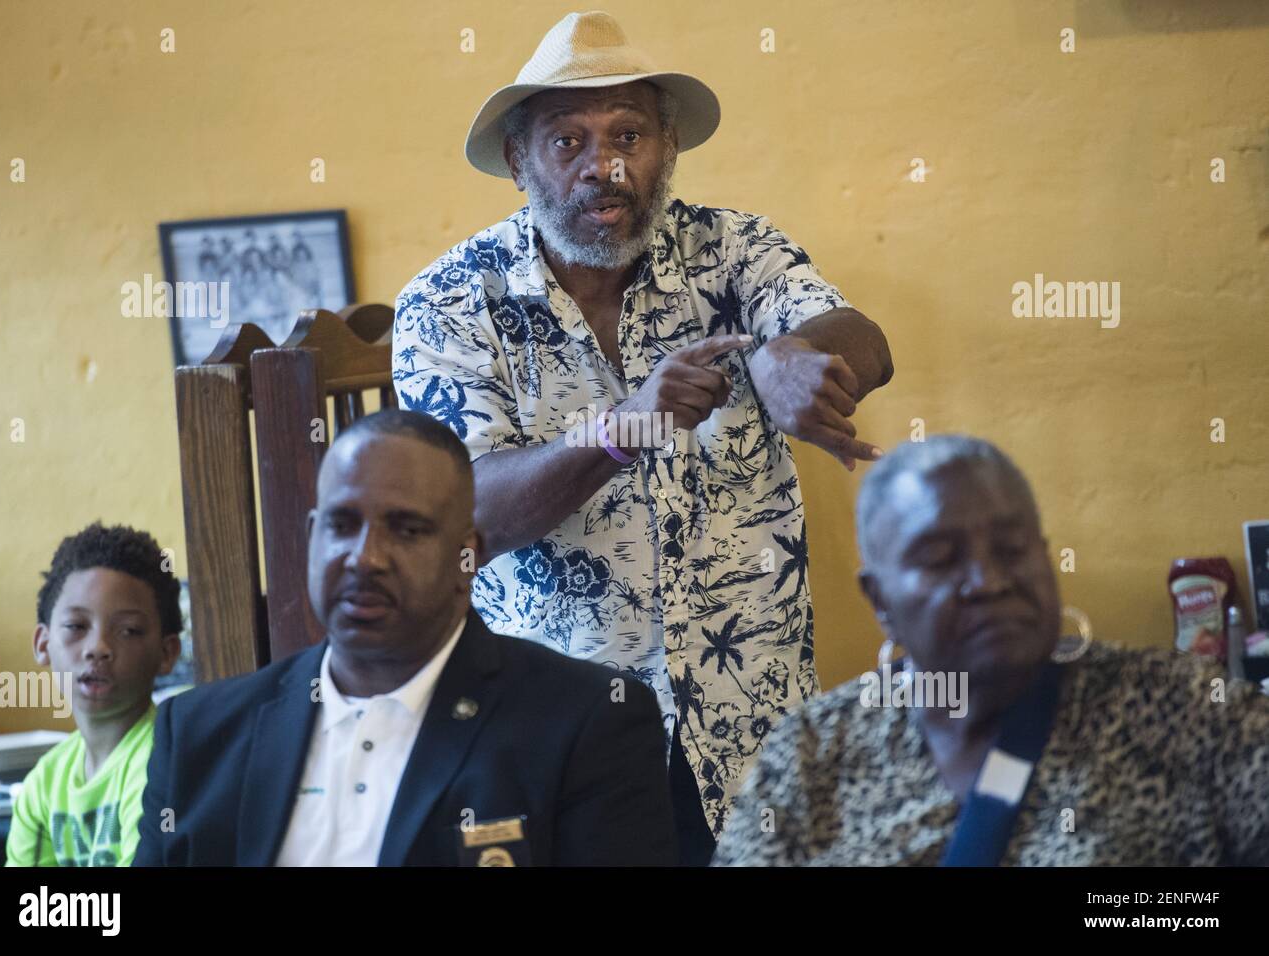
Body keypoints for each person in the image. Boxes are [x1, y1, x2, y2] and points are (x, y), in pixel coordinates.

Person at [393, 10, 894, 862]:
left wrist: (787, 356)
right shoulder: (448, 303)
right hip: (556, 729)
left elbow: (866, 341)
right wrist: (626, 428)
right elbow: (462, 515)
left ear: (669, 146)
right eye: (567, 141)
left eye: (629, 134)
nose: (605, 167)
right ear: (518, 159)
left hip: (751, 721)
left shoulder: (733, 252)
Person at [134, 409, 676, 866]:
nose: (364, 558)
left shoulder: (585, 725)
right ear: (309, 539)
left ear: (467, 556)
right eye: (342, 525)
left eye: (407, 529)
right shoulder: (200, 736)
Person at [713, 435, 1269, 865]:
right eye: (940, 558)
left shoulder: (1186, 712)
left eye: (1010, 548)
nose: (987, 580)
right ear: (880, 599)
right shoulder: (814, 751)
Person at [7, 523, 182, 866]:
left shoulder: (165, 760)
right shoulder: (42, 783)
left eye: (128, 631)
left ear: (166, 652)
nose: (98, 648)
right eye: (76, 627)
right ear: (43, 644)